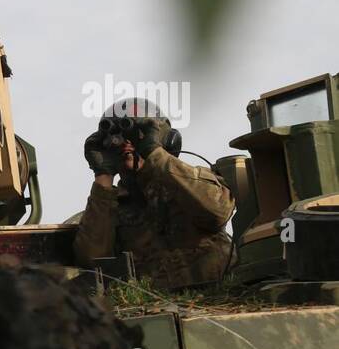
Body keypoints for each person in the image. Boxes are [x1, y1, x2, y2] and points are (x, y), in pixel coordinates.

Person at [74, 98, 234, 289]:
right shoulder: (109, 206)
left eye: (134, 135)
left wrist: (153, 153)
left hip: (218, 297)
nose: (126, 143)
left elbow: (216, 212)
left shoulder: (191, 181)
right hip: (155, 309)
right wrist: (103, 176)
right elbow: (93, 261)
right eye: (118, 137)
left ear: (166, 139)